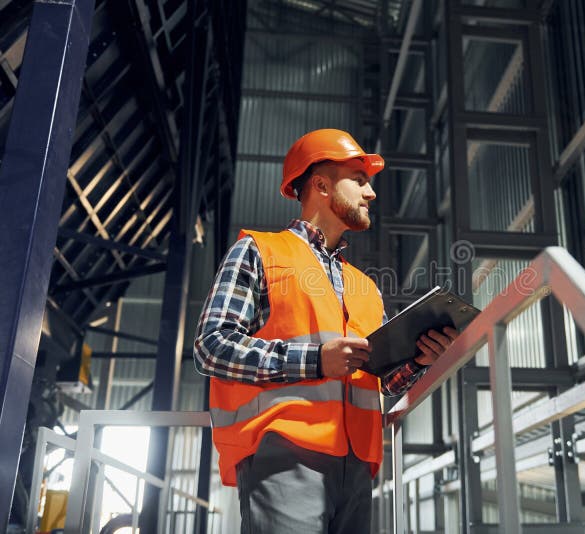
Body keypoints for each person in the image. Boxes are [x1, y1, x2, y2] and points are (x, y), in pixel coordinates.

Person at [193, 128, 458, 534]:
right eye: (360, 181)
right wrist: (316, 360)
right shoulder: (259, 251)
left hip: (357, 465)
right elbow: (212, 347)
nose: (371, 195)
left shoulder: (364, 287)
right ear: (320, 184)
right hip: (284, 453)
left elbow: (377, 380)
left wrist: (417, 360)